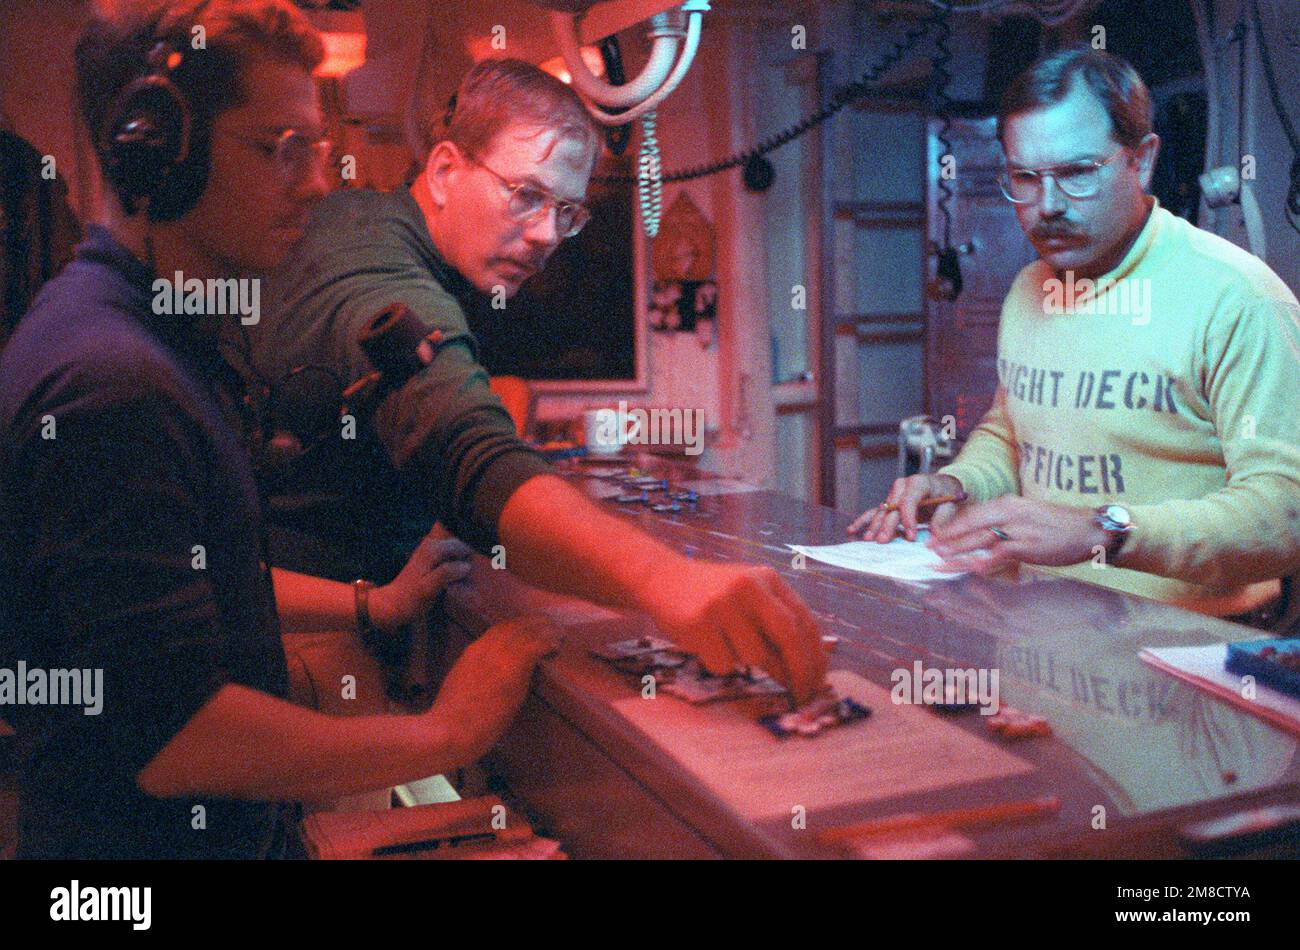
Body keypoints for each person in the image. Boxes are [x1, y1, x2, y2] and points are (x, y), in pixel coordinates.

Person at [0, 0, 555, 859]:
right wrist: (448, 734)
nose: (317, 181)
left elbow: (196, 580)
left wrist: (374, 604)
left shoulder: (149, 336)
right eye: (277, 149)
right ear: (159, 152)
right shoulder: (109, 380)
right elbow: (179, 739)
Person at [246, 57, 826, 700]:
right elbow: (474, 457)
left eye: (569, 213)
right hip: (287, 652)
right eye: (526, 195)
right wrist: (672, 582)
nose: (547, 234)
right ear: (443, 171)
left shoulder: (366, 221)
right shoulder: (389, 283)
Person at [851, 46, 1300, 627]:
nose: (1049, 206)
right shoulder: (1029, 288)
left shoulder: (1237, 300)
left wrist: (1104, 531)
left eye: (1078, 173)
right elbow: (1013, 434)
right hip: (1041, 637)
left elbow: (1285, 514)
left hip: (1184, 659)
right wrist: (958, 484)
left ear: (1142, 161)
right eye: (1025, 178)